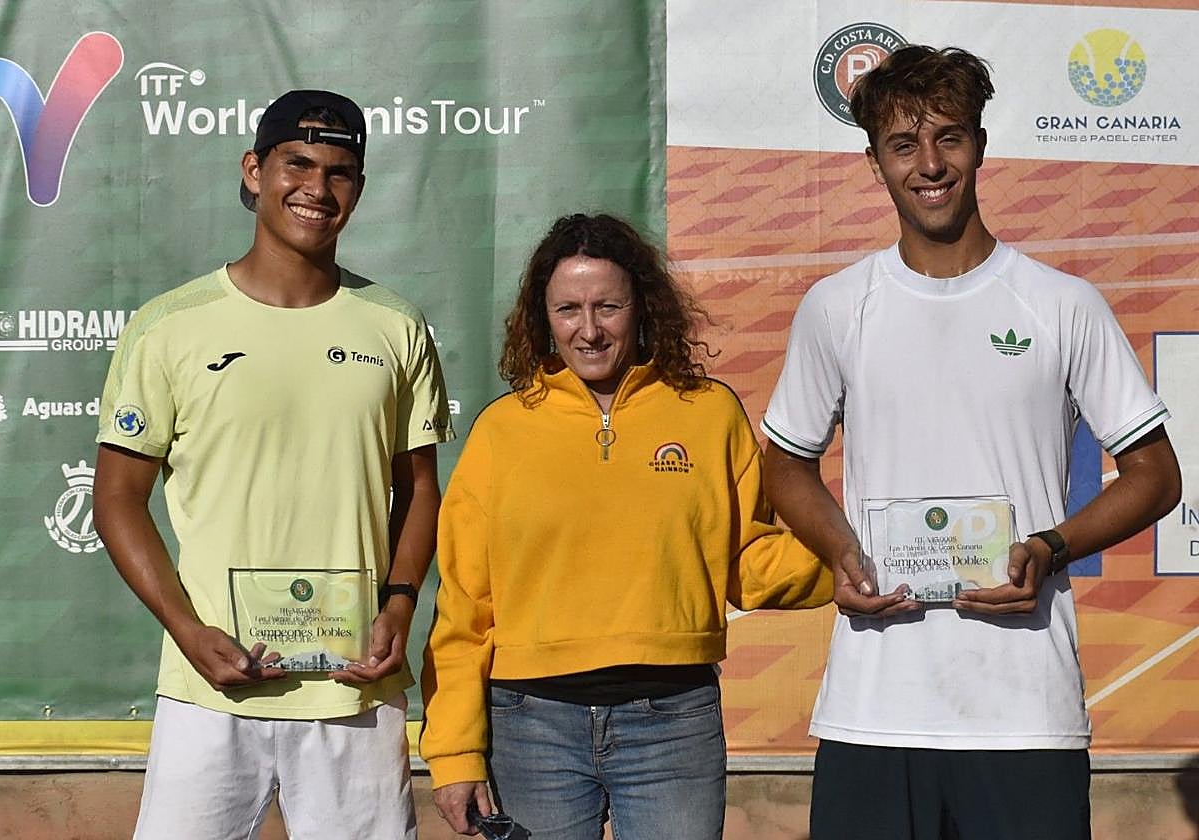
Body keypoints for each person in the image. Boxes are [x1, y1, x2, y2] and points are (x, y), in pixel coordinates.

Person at [761, 46, 1182, 840]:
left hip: (1025, 714)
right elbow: (786, 464)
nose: (930, 165)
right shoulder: (836, 307)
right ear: (875, 162)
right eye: (903, 144)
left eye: (949, 138)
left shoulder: (1063, 304)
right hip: (874, 713)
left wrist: (1050, 546)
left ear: (981, 145)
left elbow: (1155, 475)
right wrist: (842, 555)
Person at [93, 89, 454, 839]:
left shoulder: (395, 326)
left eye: (342, 171)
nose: (318, 190)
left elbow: (419, 490)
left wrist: (398, 605)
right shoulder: (168, 326)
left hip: (352, 692)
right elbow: (118, 499)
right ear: (254, 171)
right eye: (298, 164)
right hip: (211, 689)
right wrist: (189, 631)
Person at [420, 213, 833, 839]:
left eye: (607, 306)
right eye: (567, 310)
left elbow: (748, 562)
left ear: (641, 308)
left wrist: (860, 559)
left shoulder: (709, 412)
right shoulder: (500, 433)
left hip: (674, 721)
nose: (588, 330)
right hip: (532, 726)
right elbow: (463, 611)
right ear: (542, 318)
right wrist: (453, 752)